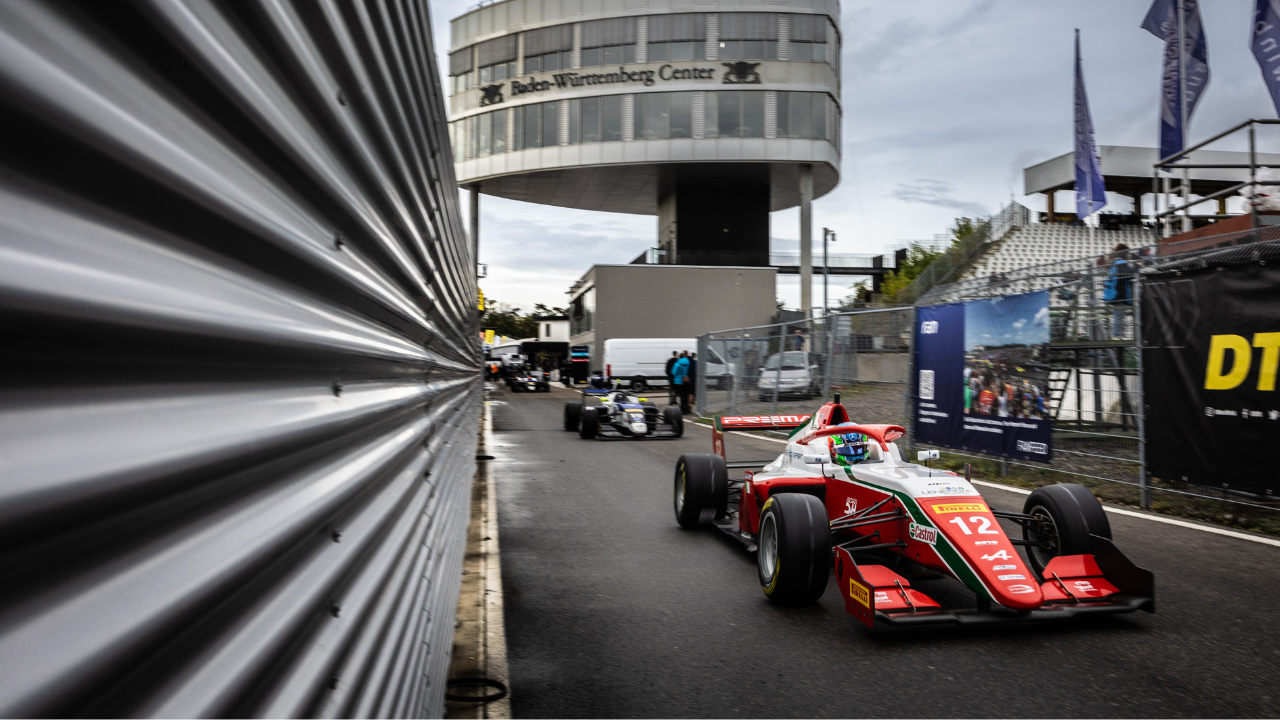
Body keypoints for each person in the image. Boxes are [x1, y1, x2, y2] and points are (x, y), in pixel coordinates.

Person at [1103, 243, 1134, 340]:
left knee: (1118, 315)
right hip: (1120, 294)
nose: (1128, 255)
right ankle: (1116, 336)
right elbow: (1130, 273)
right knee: (1118, 316)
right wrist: (1138, 265)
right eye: (1127, 253)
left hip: (1116, 294)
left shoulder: (1115, 262)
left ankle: (1117, 335)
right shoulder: (1120, 262)